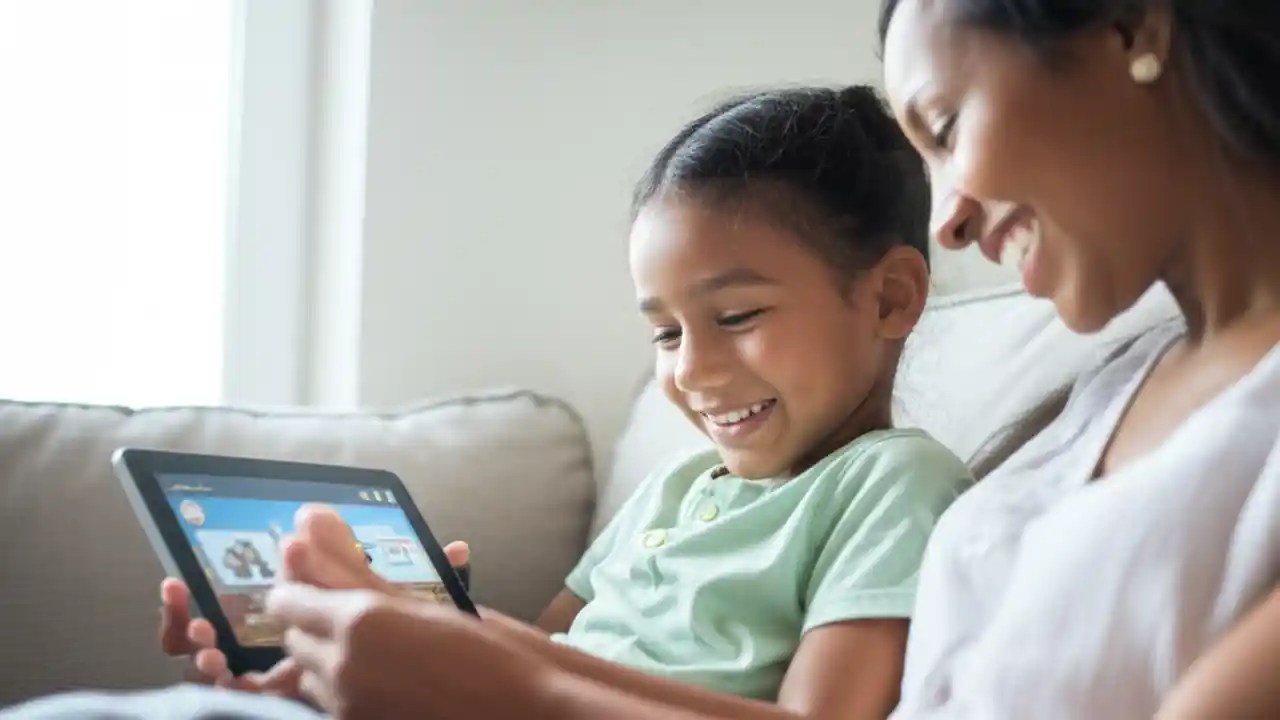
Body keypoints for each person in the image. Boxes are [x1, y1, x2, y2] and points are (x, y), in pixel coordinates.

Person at [7, 0, 1280, 715]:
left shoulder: (903, 478)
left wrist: (505, 689)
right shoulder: (1106, 385)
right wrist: (431, 652)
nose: (946, 220)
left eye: (947, 125)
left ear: (1129, 25)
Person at [1, 86, 972, 720]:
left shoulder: (891, 482)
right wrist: (378, 651)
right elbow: (542, 649)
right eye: (666, 332)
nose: (694, 370)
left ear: (888, 297)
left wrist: (490, 665)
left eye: (736, 314)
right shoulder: (677, 492)